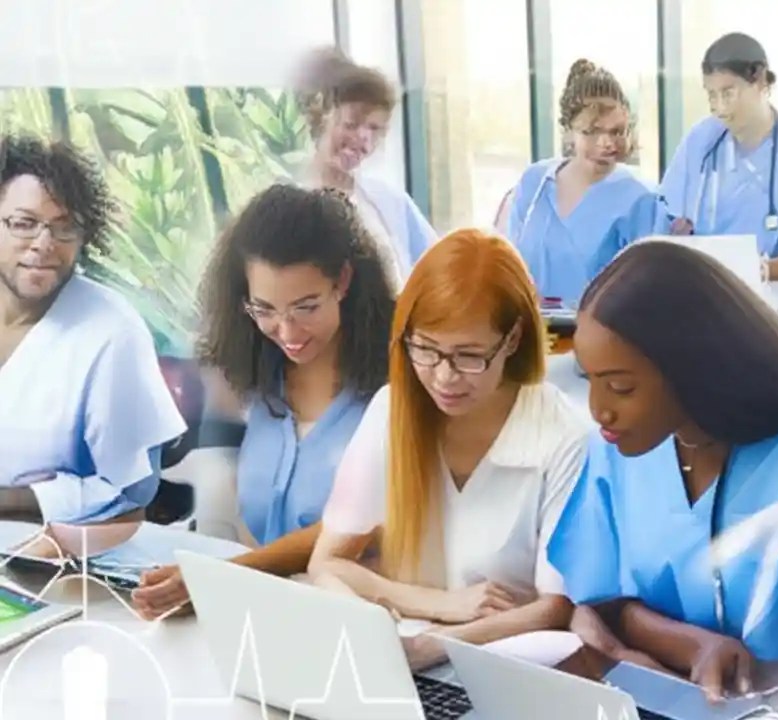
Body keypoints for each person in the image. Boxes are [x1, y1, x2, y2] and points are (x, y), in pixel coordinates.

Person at [547, 241, 778, 701]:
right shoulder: (614, 447)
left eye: (620, 387)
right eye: (589, 378)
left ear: (693, 368)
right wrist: (690, 646)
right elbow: (596, 603)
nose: (599, 410)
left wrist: (632, 651)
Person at [305, 228, 590, 669]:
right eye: (426, 349)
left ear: (513, 339)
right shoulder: (391, 410)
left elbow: (554, 607)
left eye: (469, 356)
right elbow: (327, 563)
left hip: (503, 667)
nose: (444, 377)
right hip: (402, 650)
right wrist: (439, 605)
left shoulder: (563, 435)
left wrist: (432, 646)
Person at [131, 184, 395, 620]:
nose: (287, 332)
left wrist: (221, 578)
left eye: (306, 307)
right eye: (265, 309)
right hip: (261, 610)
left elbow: (361, 527)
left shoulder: (394, 386)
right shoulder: (255, 375)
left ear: (343, 281)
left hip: (356, 620)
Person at [0, 134, 184, 529]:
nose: (44, 243)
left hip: (48, 552)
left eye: (65, 228)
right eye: (24, 224)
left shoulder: (112, 331)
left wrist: (16, 498)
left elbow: (132, 489)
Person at [660, 32, 778, 282]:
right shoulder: (701, 140)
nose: (719, 108)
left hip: (777, 296)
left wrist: (753, 272)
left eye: (728, 93)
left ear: (760, 82)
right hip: (705, 288)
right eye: (711, 95)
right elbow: (670, 228)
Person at [506, 59, 659, 305]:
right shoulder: (534, 182)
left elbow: (649, 291)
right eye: (592, 131)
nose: (606, 143)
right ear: (568, 131)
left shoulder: (641, 198)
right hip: (530, 321)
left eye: (617, 131)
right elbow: (509, 264)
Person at [294, 47, 438, 286]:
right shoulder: (294, 210)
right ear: (320, 119)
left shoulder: (389, 201)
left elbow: (438, 267)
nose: (363, 138)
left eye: (374, 128)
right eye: (351, 124)